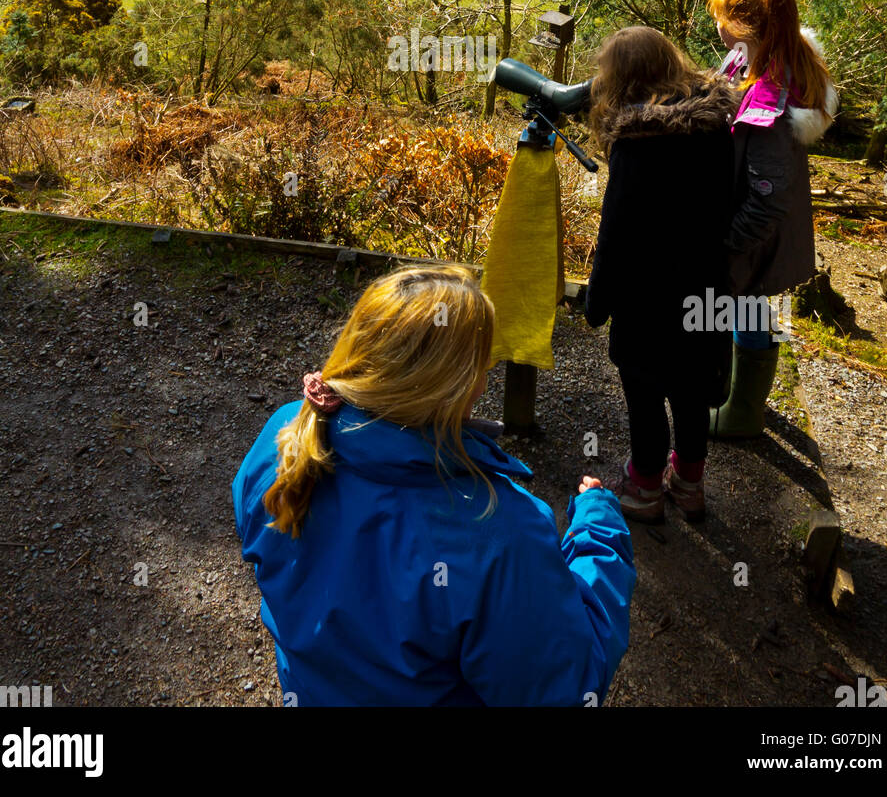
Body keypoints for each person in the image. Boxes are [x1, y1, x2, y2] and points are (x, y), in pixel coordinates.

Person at [232, 264, 635, 706]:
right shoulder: (497, 532)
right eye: (483, 365)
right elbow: (568, 686)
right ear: (461, 386)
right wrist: (598, 530)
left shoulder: (287, 437)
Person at [585, 27, 738, 524]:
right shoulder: (718, 127)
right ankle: (690, 484)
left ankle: (645, 487)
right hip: (707, 287)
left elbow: (616, 233)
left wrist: (598, 300)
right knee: (694, 388)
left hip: (646, 297)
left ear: (621, 77)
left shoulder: (635, 142)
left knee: (646, 395)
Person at [707, 0, 839, 437]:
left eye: (722, 17)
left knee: (745, 302)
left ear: (745, 25)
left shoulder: (773, 102)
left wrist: (726, 245)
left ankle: (743, 412)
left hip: (751, 231)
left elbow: (768, 200)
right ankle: (740, 398)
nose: (717, 26)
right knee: (748, 302)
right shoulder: (753, 56)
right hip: (745, 217)